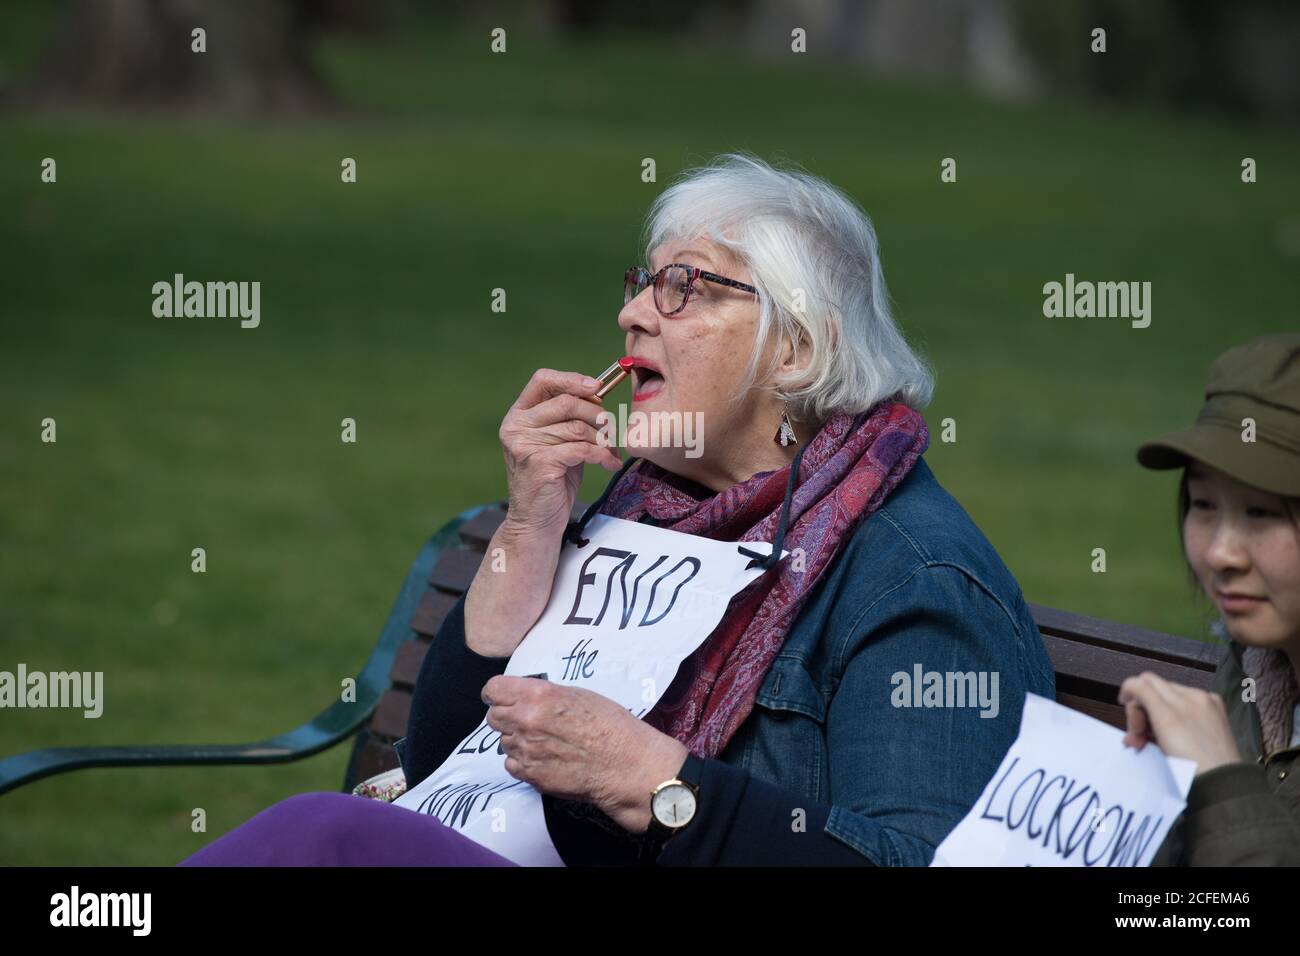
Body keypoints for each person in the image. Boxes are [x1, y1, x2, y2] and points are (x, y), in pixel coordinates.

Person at [181, 152, 1055, 867]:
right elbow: (437, 759)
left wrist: (656, 785)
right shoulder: (647, 507)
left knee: (327, 836)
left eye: (686, 285)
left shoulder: (913, 577)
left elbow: (914, 862)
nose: (633, 312)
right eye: (644, 282)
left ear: (799, 349)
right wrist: (531, 523)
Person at [1128, 333, 1300, 866]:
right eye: (1203, 504)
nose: (1222, 552)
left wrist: (1223, 787)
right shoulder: (1248, 675)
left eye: (1262, 513)